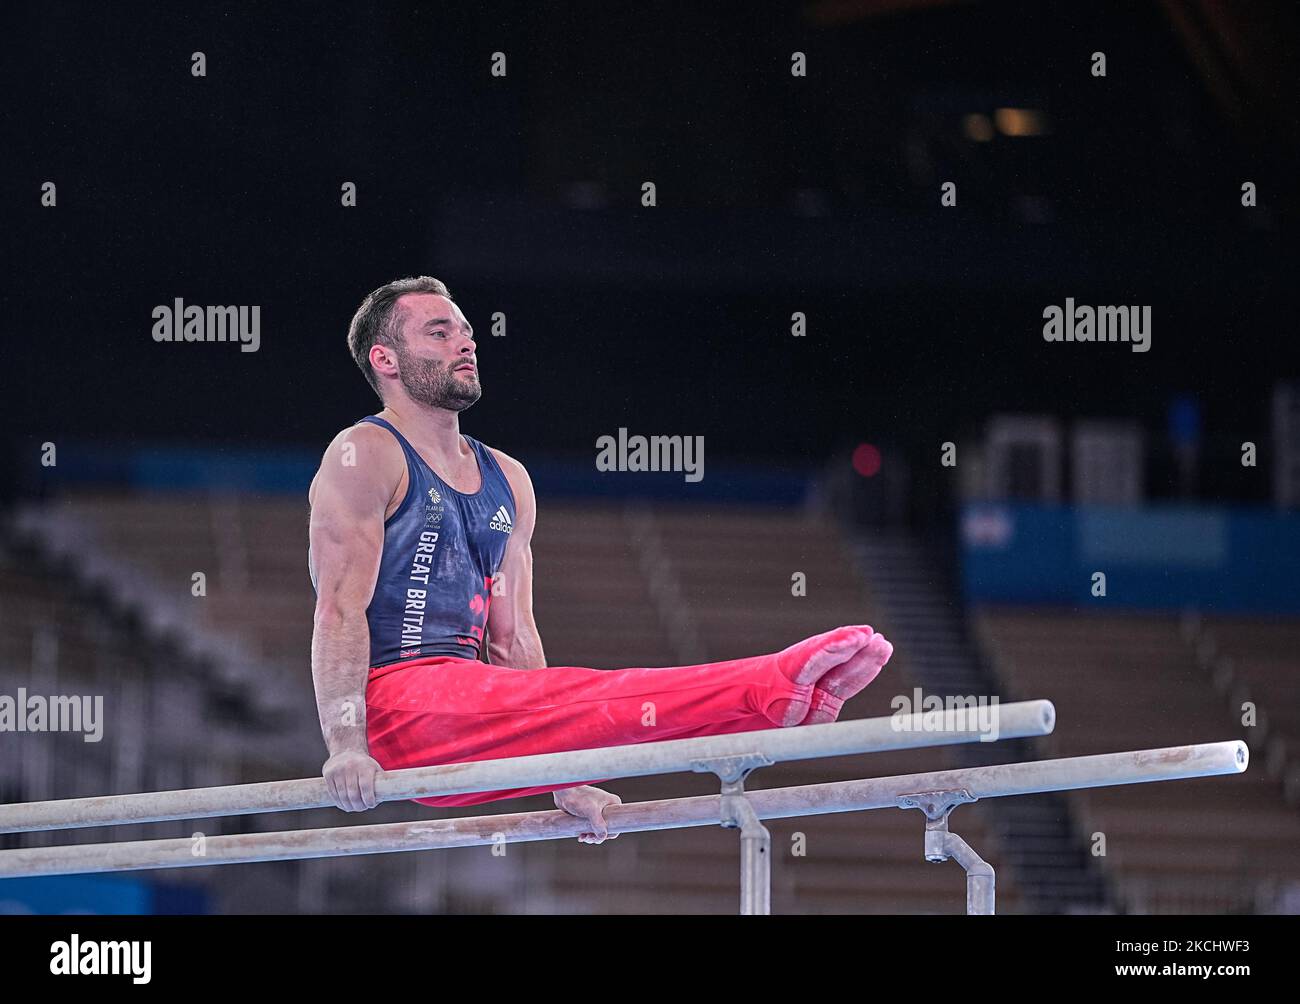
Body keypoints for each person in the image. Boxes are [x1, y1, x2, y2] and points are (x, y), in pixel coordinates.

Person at [307, 277, 893, 844]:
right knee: (603, 692)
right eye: (439, 332)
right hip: (397, 709)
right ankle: (771, 683)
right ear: (385, 360)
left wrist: (565, 776)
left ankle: (779, 706)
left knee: (591, 701)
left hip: (476, 708)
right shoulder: (365, 454)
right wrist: (347, 745)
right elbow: (337, 608)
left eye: (466, 330)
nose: (466, 341)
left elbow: (514, 642)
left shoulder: (508, 478)